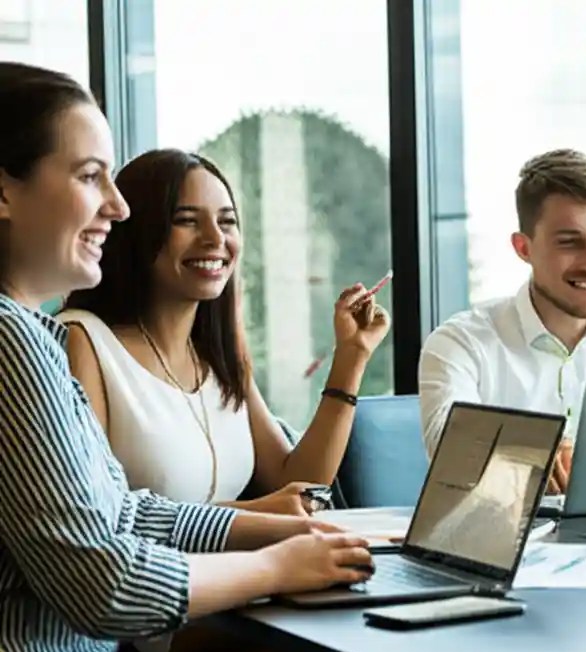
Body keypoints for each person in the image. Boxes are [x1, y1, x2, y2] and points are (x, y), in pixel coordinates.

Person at [0, 61, 372, 652]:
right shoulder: (19, 344)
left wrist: (277, 533)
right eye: (89, 176)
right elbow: (105, 585)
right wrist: (277, 567)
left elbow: (122, 514)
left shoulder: (34, 337)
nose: (117, 206)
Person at [60, 148, 390, 515]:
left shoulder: (217, 355)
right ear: (135, 232)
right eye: (187, 221)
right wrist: (256, 514)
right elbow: (96, 516)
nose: (215, 238)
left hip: (258, 555)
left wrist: (352, 355)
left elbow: (299, 483)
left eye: (227, 221)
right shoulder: (82, 341)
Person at [418, 148, 586, 494]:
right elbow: (449, 452)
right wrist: (534, 455)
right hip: (508, 528)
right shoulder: (461, 342)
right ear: (524, 248)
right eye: (570, 243)